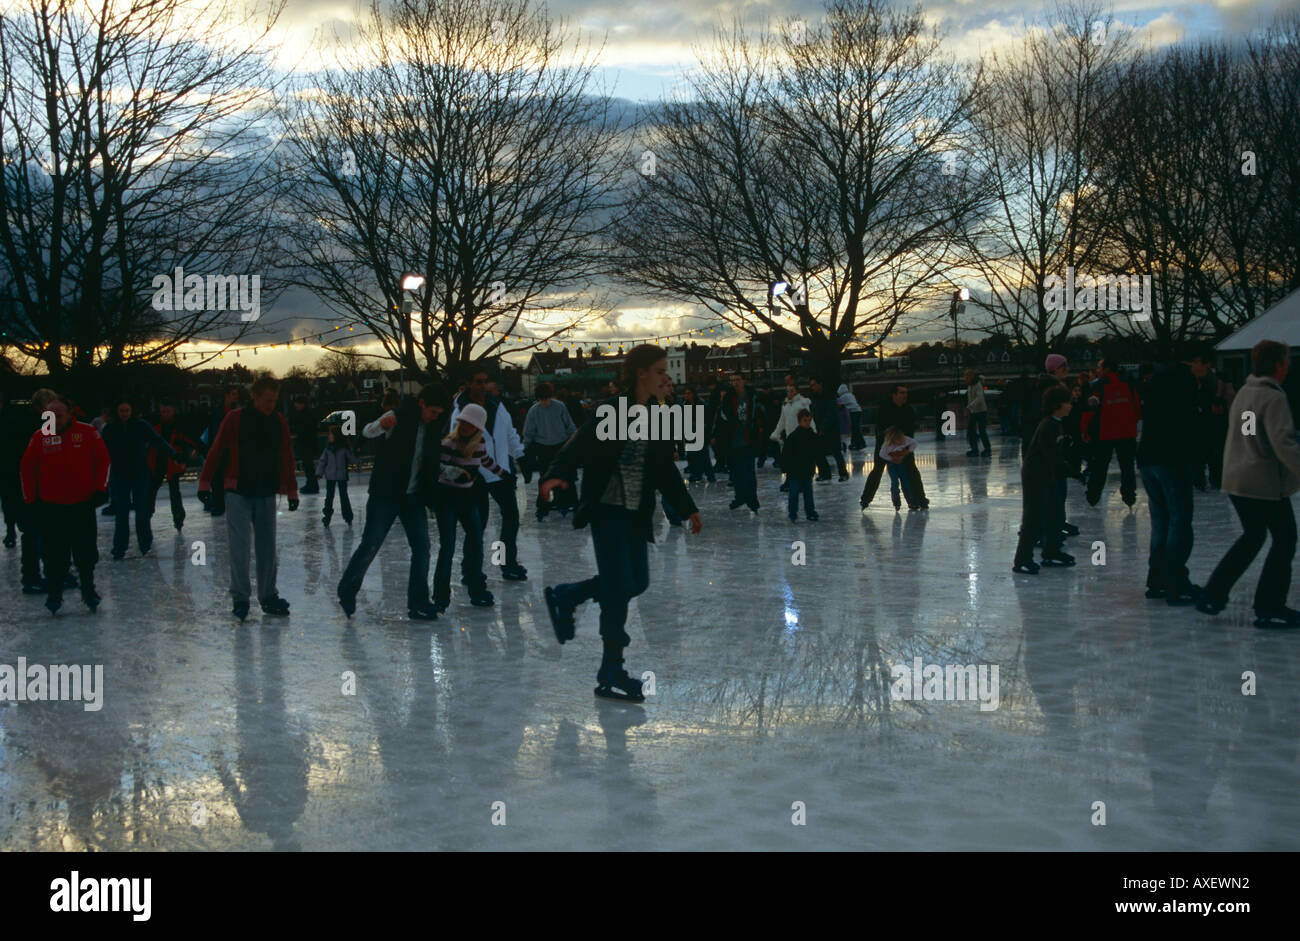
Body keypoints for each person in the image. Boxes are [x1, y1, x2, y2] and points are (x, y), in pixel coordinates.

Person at [539, 345, 702, 703]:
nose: (666, 377)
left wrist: (687, 506)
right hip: (608, 510)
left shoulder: (658, 416)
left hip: (636, 513)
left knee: (636, 582)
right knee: (617, 588)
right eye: (660, 371)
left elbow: (662, 470)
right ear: (641, 373)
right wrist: (555, 475)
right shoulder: (611, 411)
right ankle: (611, 669)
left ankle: (567, 595)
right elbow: (575, 447)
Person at [1197, 340, 1300, 627]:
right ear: (1279, 365)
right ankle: (1269, 605)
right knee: (1284, 539)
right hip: (1261, 482)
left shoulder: (1246, 392)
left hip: (1239, 478)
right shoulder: (1273, 398)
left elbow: (1247, 432)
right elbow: (1284, 443)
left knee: (1254, 536)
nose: (1288, 366)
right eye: (1286, 361)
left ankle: (1214, 593)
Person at [337, 385, 448, 620]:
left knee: (422, 548)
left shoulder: (435, 426)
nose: (435, 417)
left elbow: (433, 459)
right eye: (433, 412)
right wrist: (381, 425)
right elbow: (367, 431)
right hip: (385, 494)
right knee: (371, 544)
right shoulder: (398, 416)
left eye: (439, 413)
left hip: (414, 496)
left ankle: (418, 602)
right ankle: (347, 590)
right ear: (422, 404)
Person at [197, 376, 299, 621]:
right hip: (238, 493)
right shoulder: (235, 419)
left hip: (265, 492)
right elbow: (217, 448)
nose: (270, 405)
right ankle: (241, 597)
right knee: (240, 548)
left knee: (267, 548)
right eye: (266, 400)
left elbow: (287, 455)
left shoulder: (278, 421)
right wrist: (204, 481)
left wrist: (292, 489)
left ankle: (268, 596)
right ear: (254, 396)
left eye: (274, 401)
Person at [19, 395, 110, 613]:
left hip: (81, 504)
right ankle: (54, 593)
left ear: (69, 414)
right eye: (49, 415)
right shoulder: (40, 437)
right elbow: (26, 469)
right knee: (53, 554)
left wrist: (101, 489)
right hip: (51, 507)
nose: (54, 420)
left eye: (58, 415)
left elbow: (103, 460)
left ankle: (88, 589)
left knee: (85, 552)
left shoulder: (87, 433)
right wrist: (30, 500)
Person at [449, 367, 527, 581]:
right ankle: (470, 569)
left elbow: (509, 433)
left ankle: (506, 563)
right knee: (477, 525)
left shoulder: (497, 406)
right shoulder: (460, 411)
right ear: (469, 384)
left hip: (500, 472)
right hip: (476, 475)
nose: (483, 386)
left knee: (511, 518)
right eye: (478, 382)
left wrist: (520, 456)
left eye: (485, 381)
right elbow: (457, 442)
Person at [1136, 353, 1201, 605]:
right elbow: (1189, 425)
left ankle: (1158, 579)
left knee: (1161, 521)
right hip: (1171, 459)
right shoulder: (1181, 387)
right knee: (1179, 520)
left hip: (1148, 458)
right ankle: (1175, 581)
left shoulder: (1155, 388)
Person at [433, 403, 508, 610]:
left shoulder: (480, 443)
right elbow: (437, 467)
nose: (465, 426)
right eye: (463, 422)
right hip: (447, 499)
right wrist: (454, 472)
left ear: (478, 427)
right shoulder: (449, 443)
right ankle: (440, 597)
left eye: (470, 424)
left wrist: (504, 475)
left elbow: (486, 461)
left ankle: (477, 590)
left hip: (467, 498)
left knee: (476, 543)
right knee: (447, 547)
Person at [101, 397, 178, 559]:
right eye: (121, 411)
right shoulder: (110, 429)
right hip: (120, 474)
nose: (124, 414)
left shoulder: (140, 425)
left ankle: (145, 543)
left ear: (131, 411)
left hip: (140, 473)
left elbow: (157, 440)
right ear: (117, 412)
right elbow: (100, 450)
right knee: (121, 512)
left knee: (142, 509)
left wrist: (172, 453)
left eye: (127, 411)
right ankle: (119, 547)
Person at [1013, 385, 1076, 574]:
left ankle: (1052, 552)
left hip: (1048, 475)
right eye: (1068, 402)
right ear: (1057, 405)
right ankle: (1022, 559)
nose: (1071, 406)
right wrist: (1072, 471)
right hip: (1036, 476)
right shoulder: (1048, 425)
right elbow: (1052, 455)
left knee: (1055, 514)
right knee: (1034, 517)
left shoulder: (1056, 423)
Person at [860, 384, 929, 510]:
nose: (905, 395)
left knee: (912, 471)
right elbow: (881, 430)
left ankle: (920, 499)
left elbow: (910, 433)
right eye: (902, 393)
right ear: (894, 395)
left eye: (906, 393)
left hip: (903, 445)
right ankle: (865, 499)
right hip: (885, 446)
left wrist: (903, 451)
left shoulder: (908, 410)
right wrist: (891, 451)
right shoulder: (884, 409)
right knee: (877, 471)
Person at [1085, 358, 1141, 507]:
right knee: (1127, 466)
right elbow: (1137, 407)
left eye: (1099, 367)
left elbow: (1092, 409)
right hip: (1127, 432)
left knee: (1100, 466)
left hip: (1106, 432)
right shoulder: (1128, 383)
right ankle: (1129, 495)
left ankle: (1093, 495)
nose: (1097, 370)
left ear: (1106, 369)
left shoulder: (1099, 385)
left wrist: (1088, 429)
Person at [522, 382, 577, 520]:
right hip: (543, 448)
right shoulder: (534, 411)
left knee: (564, 475)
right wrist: (525, 447)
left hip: (560, 445)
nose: (544, 402)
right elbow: (528, 432)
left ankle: (565, 502)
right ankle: (543, 506)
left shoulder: (559, 406)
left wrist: (575, 440)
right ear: (538, 398)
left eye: (546, 398)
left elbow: (569, 425)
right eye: (541, 399)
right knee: (545, 477)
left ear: (550, 397)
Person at [712, 371, 763, 512]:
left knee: (749, 472)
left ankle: (752, 499)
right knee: (737, 473)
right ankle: (740, 497)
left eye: (738, 380)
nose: (735, 383)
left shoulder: (752, 396)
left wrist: (759, 429)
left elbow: (759, 413)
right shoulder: (728, 398)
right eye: (732, 380)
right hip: (733, 441)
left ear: (744, 381)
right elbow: (722, 418)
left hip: (748, 439)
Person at [150, 402, 199, 532]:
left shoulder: (179, 426)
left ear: (173, 411)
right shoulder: (156, 426)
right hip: (159, 462)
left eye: (167, 411)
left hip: (173, 463)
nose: (165, 414)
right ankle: (148, 513)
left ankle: (178, 518)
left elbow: (189, 442)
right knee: (152, 489)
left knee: (174, 491)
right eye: (163, 411)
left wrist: (186, 455)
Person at [201, 385, 241, 517]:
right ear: (227, 395)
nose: (236, 396)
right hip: (221, 449)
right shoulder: (218, 411)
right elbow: (213, 431)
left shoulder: (236, 410)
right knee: (217, 478)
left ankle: (227, 504)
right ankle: (218, 504)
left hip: (232, 449)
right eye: (233, 393)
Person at [771, 375, 815, 493]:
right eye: (788, 391)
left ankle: (797, 483)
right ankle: (790, 481)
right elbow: (782, 420)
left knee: (800, 462)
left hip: (801, 437)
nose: (789, 393)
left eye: (792, 391)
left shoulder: (801, 403)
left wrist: (813, 432)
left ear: (796, 391)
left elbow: (809, 419)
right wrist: (776, 432)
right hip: (790, 437)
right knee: (790, 461)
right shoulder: (786, 404)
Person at [781, 408, 820, 522]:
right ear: (799, 421)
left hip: (807, 470)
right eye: (805, 420)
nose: (807, 423)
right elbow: (786, 453)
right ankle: (793, 513)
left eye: (808, 420)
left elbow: (816, 452)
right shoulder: (793, 437)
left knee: (808, 493)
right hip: (795, 471)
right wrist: (786, 468)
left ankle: (810, 512)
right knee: (794, 493)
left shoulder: (812, 436)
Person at [808, 377, 849, 481]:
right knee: (818, 452)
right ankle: (825, 473)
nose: (812, 387)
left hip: (831, 429)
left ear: (820, 384)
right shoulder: (815, 397)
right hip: (819, 428)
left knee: (836, 452)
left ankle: (843, 473)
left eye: (813, 385)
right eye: (811, 385)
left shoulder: (829, 396)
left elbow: (831, 414)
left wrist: (823, 427)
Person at [315, 426, 357, 526]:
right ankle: (327, 516)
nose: (329, 436)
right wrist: (319, 473)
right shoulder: (328, 449)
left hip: (341, 476)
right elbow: (322, 461)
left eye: (331, 434)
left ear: (336, 436)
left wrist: (356, 455)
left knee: (344, 496)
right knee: (329, 497)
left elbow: (352, 459)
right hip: (330, 476)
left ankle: (348, 517)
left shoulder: (344, 449)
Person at [679, 386, 715, 483]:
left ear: (693, 394)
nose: (686, 395)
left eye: (689, 393)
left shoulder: (701, 404)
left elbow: (707, 419)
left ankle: (709, 475)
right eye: (685, 393)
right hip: (690, 434)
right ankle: (696, 474)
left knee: (703, 456)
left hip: (700, 434)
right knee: (692, 456)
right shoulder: (685, 405)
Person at [879, 427, 920, 510]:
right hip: (891, 465)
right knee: (895, 482)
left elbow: (915, 443)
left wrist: (906, 452)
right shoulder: (887, 444)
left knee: (905, 482)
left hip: (901, 464)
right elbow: (882, 454)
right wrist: (893, 459)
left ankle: (911, 502)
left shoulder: (906, 439)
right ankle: (896, 501)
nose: (898, 442)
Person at [964, 370, 991, 456]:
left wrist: (969, 406)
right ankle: (974, 449)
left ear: (971, 377)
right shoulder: (970, 386)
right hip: (973, 411)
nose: (965, 379)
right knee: (971, 431)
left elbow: (980, 398)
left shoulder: (977, 385)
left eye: (967, 377)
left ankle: (987, 449)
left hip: (981, 411)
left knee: (982, 431)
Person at [838, 383, 867, 451]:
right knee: (856, 428)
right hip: (858, 411)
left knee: (855, 429)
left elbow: (839, 404)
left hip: (853, 412)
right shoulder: (851, 395)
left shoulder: (843, 397)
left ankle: (858, 443)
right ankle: (858, 443)